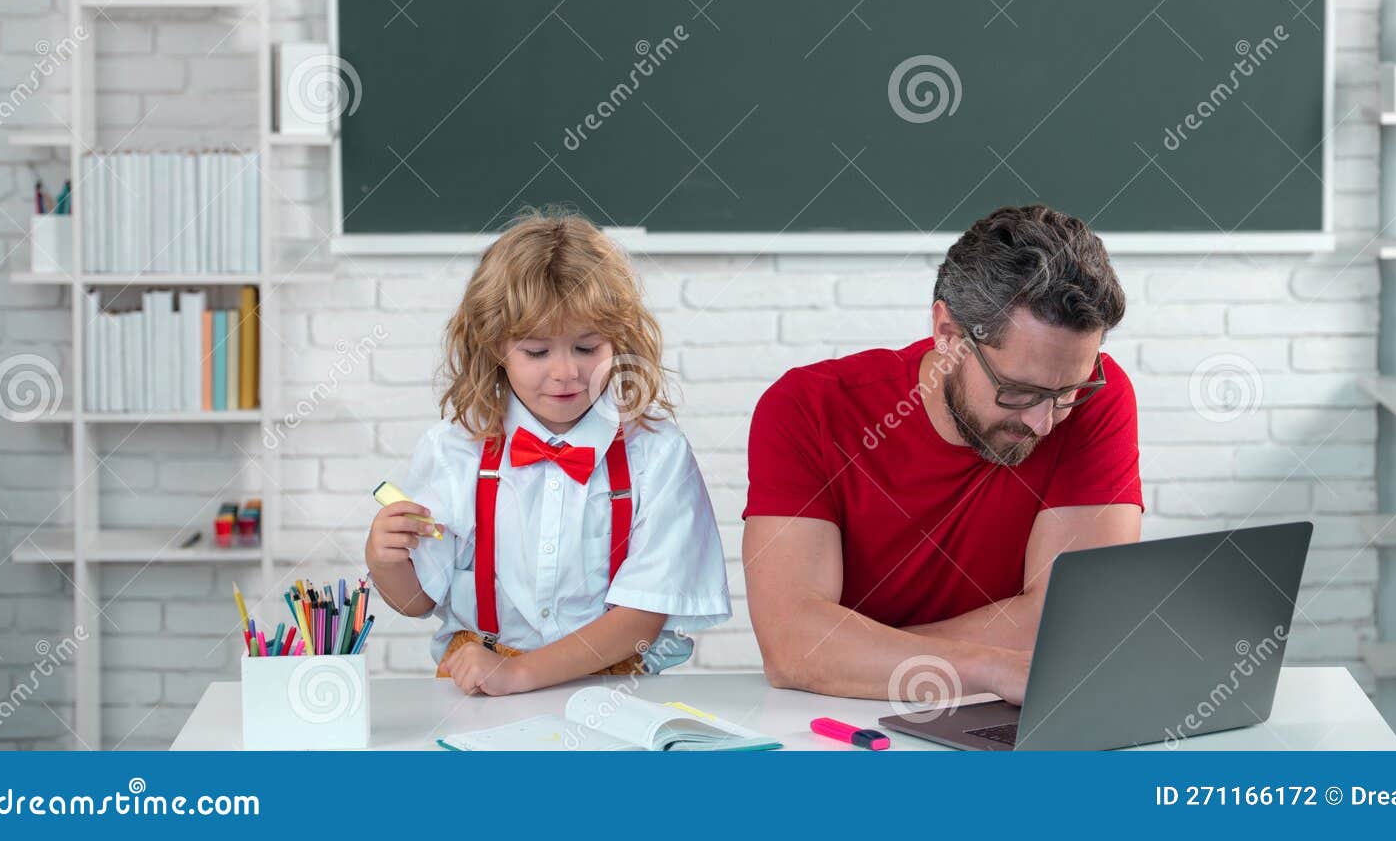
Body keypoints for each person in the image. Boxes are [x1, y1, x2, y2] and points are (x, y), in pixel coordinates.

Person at [743, 204, 1141, 703]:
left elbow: (1076, 622)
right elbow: (793, 646)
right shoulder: (808, 408)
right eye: (1018, 390)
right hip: (847, 724)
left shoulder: (1097, 398)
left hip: (994, 716)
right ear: (949, 335)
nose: (1046, 421)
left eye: (1068, 392)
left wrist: (851, 655)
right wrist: (988, 666)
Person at [366, 210, 730, 696]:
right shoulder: (454, 451)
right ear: (496, 347)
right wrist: (384, 560)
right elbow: (416, 602)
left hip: (614, 695)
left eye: (587, 347)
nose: (565, 373)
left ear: (620, 339)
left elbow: (642, 617)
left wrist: (520, 673)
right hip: (482, 693)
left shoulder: (657, 454)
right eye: (537, 352)